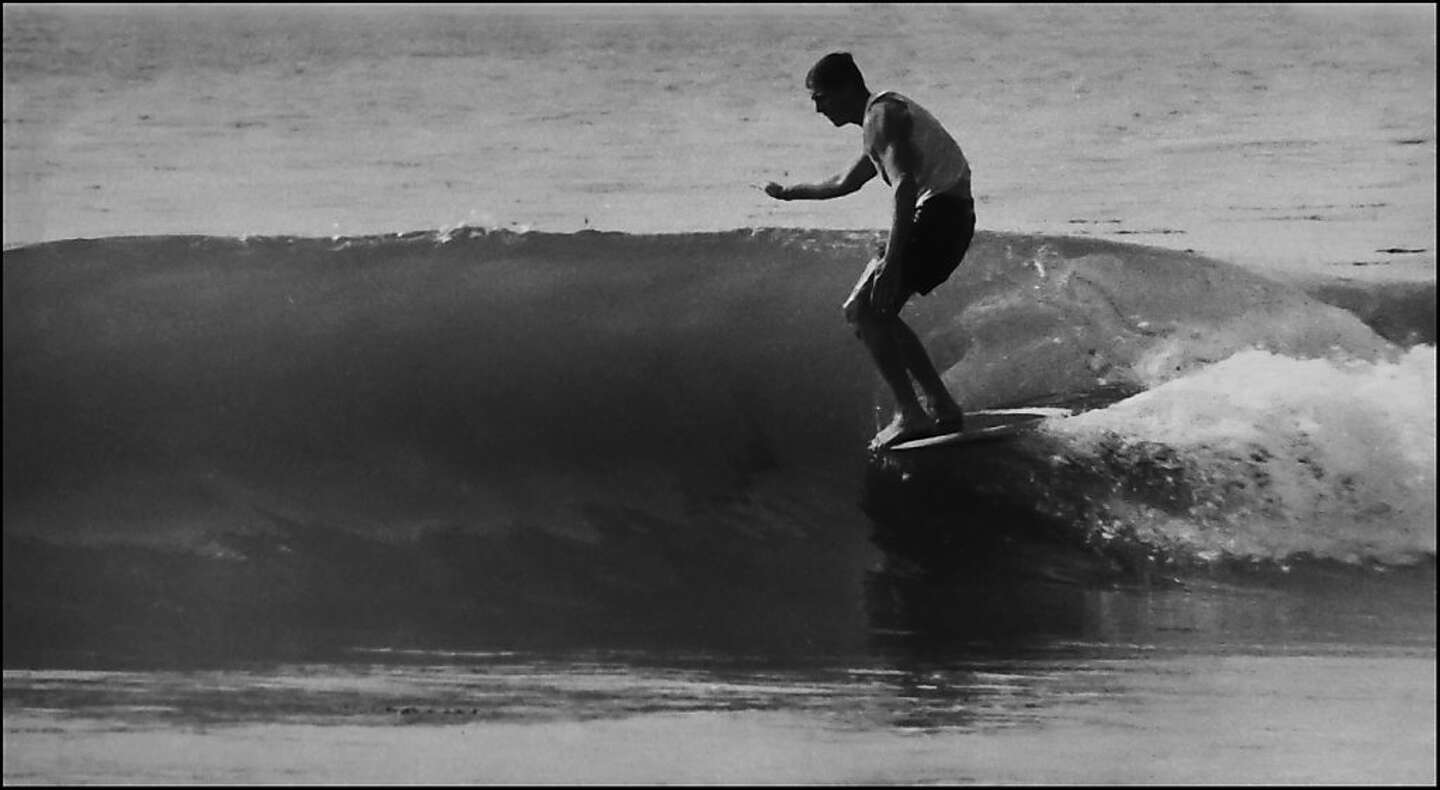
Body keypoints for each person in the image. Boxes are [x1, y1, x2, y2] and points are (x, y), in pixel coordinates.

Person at [765, 52, 976, 449]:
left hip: (939, 216)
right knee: (876, 313)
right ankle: (941, 407)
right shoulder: (881, 121)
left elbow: (905, 187)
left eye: (820, 98)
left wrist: (892, 264)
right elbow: (845, 182)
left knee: (862, 310)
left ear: (846, 89)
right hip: (951, 217)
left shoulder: (882, 117)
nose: (818, 109)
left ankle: (910, 414)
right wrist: (790, 194)